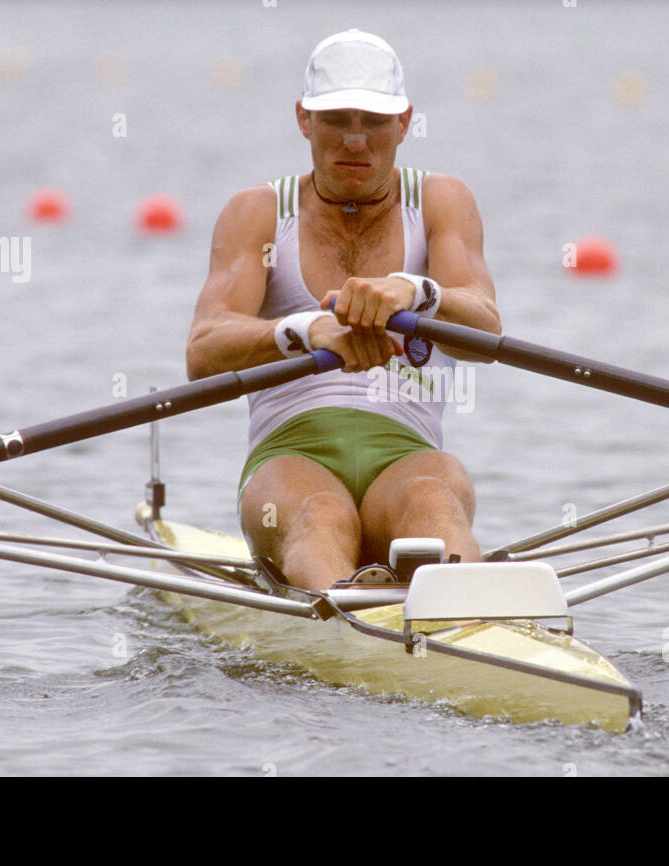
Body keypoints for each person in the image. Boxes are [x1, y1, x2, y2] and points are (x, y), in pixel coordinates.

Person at [186, 29, 500, 591]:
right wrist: (305, 330)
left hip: (407, 454)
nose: (356, 140)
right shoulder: (257, 212)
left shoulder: (439, 201)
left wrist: (415, 292)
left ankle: (463, 617)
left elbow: (486, 326)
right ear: (304, 119)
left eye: (375, 122)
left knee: (434, 497)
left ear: (404, 123)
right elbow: (204, 351)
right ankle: (347, 630)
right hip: (291, 454)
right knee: (321, 516)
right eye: (337, 119)